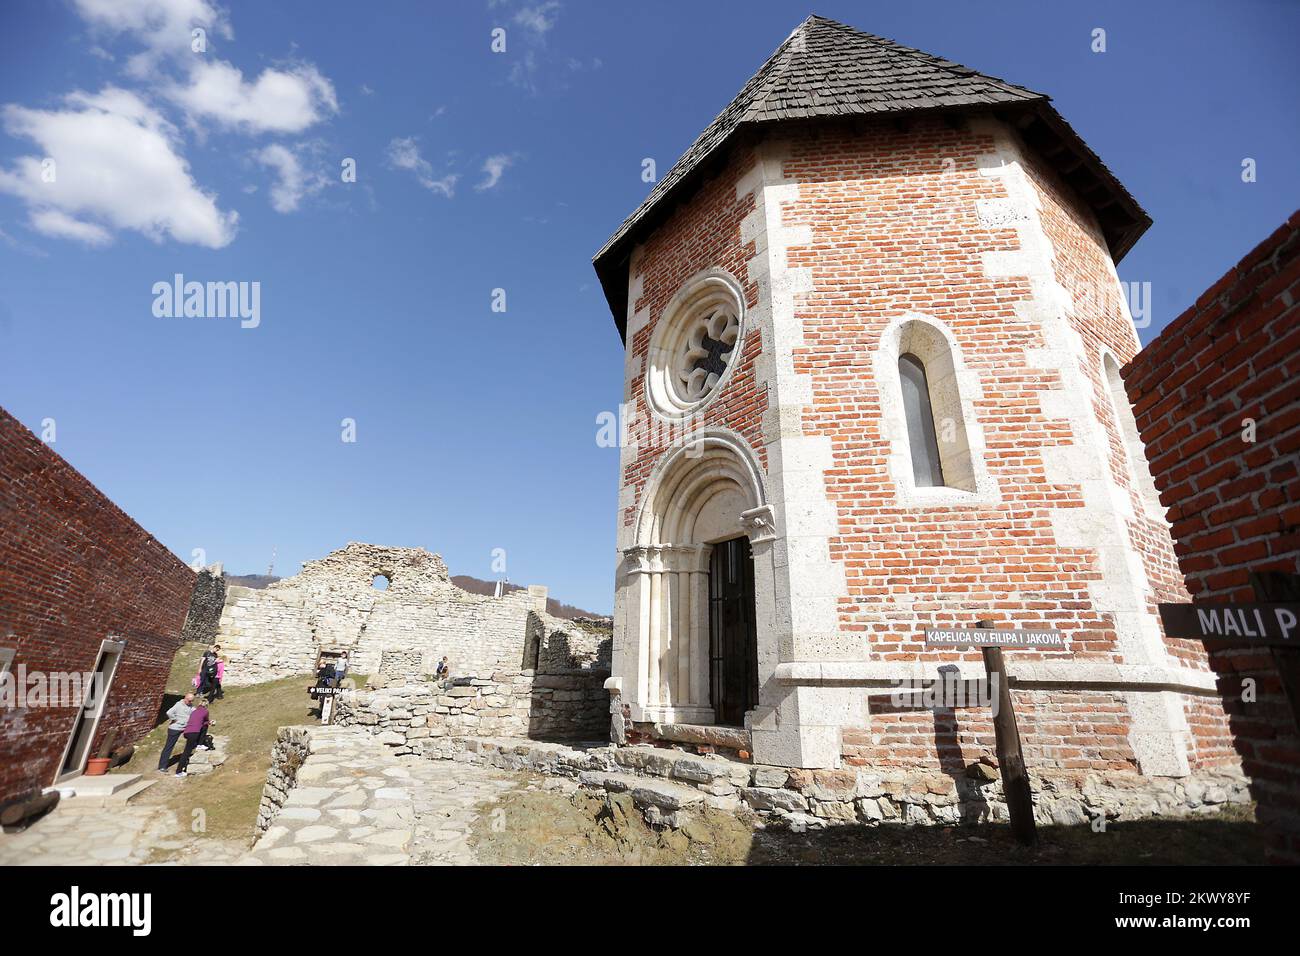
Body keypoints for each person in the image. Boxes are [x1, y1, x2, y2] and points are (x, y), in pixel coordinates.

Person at [158, 692, 195, 773]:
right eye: (189, 700)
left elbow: (194, 712)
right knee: (169, 746)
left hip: (184, 728)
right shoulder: (178, 705)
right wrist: (175, 719)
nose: (190, 702)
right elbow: (169, 712)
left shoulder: (190, 706)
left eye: (192, 701)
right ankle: (162, 766)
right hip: (175, 728)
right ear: (185, 698)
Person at [175, 696, 211, 777]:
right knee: (186, 752)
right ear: (206, 705)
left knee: (187, 749)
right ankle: (178, 771)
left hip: (187, 732)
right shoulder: (205, 711)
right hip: (194, 733)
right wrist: (210, 722)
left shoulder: (194, 711)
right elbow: (206, 721)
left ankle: (199, 744)